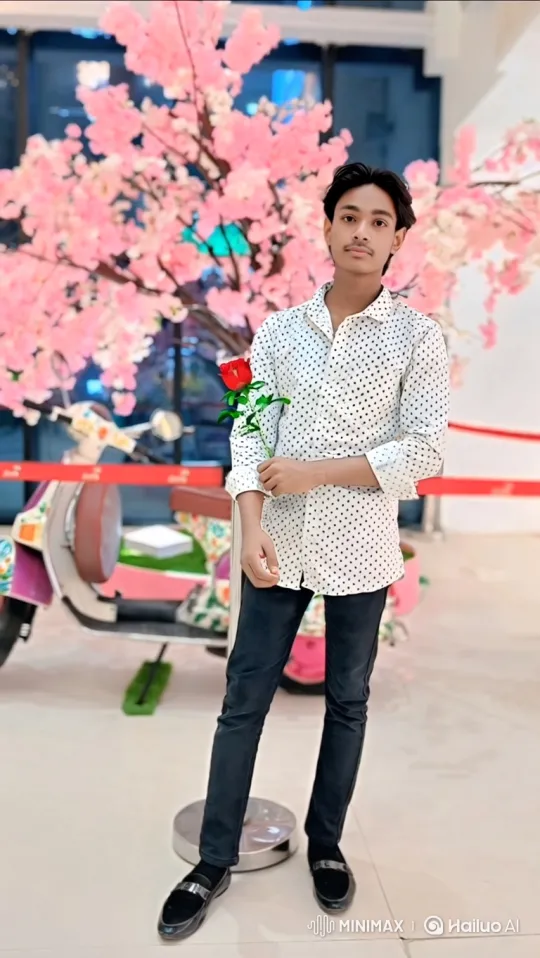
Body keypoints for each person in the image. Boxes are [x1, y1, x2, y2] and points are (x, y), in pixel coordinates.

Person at [158, 162, 450, 941]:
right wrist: (249, 523)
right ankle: (212, 860)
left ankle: (327, 845)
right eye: (348, 215)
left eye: (379, 220)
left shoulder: (419, 340)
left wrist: (319, 472)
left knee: (347, 703)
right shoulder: (280, 332)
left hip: (362, 547)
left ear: (397, 239)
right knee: (242, 701)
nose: (361, 230)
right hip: (276, 545)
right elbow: (250, 434)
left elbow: (423, 453)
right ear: (325, 226)